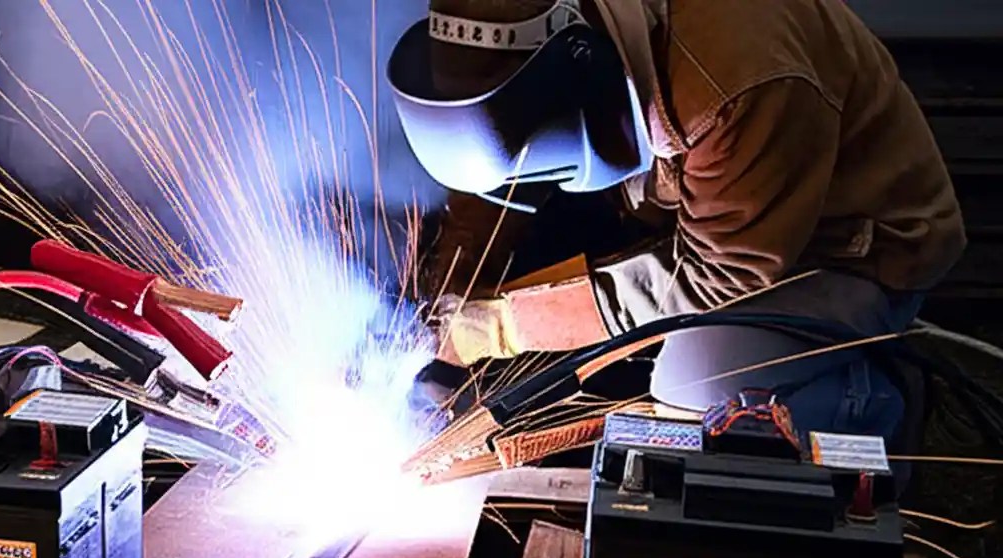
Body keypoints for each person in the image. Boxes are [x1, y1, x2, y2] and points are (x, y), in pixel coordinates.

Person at [387, 0, 966, 488]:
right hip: (697, 206)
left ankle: (867, 398)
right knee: (571, 328)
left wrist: (501, 326)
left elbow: (718, 271)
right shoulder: (560, 33)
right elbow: (504, 176)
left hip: (840, 250)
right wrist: (450, 300)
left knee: (691, 394)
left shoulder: (737, 73)